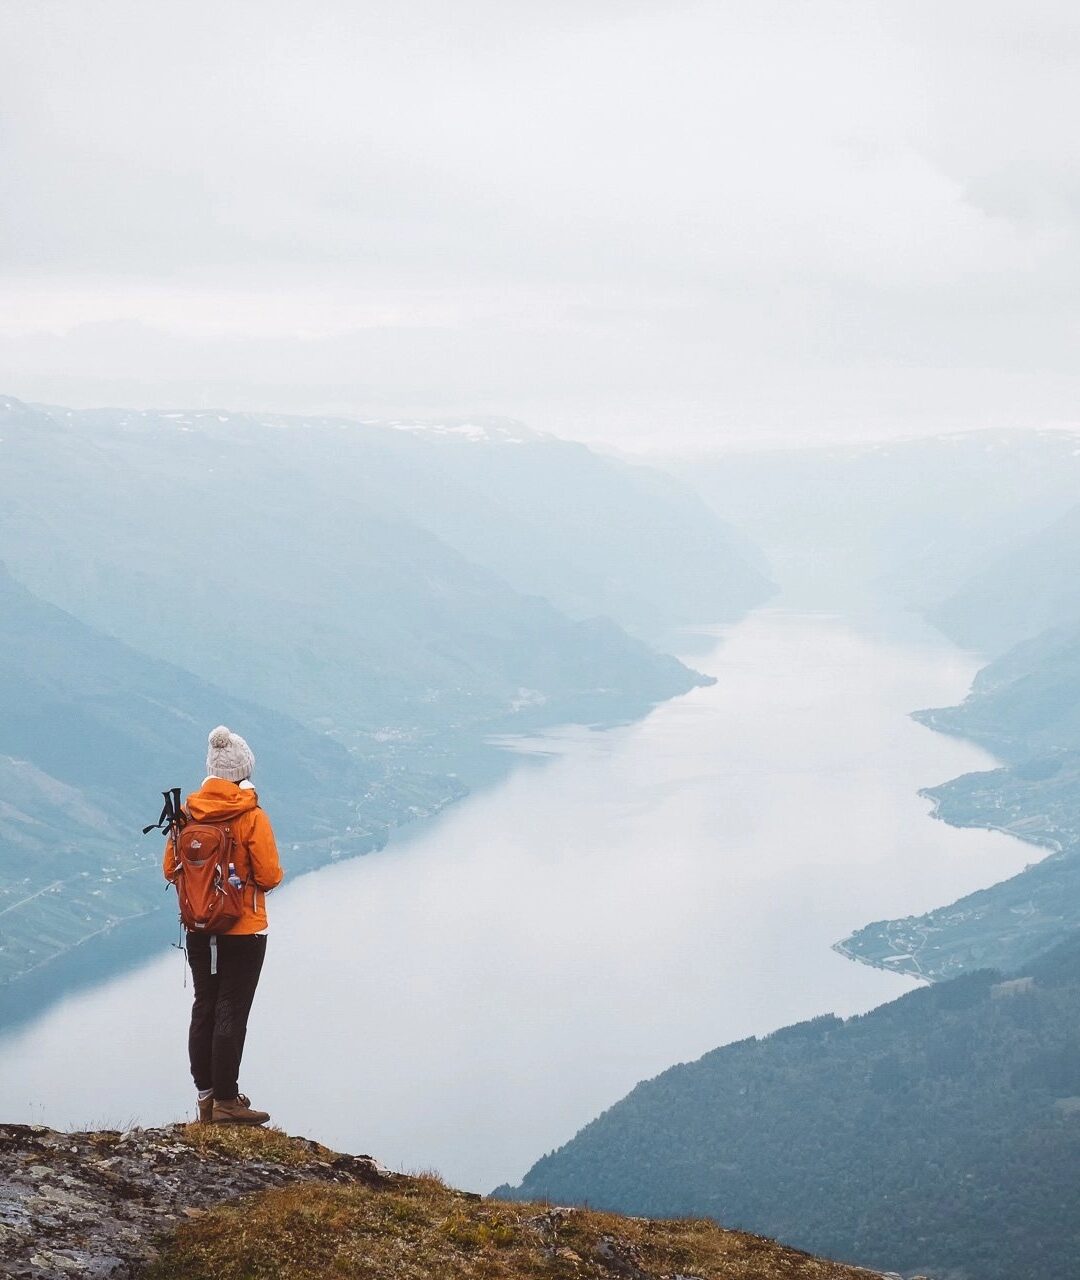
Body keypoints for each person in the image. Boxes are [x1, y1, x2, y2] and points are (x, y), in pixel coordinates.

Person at [163, 725, 284, 1125]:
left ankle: (207, 1098)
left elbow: (170, 869)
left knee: (205, 1007)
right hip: (243, 930)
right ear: (244, 770)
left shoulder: (186, 812)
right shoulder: (250, 816)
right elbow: (268, 876)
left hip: (198, 928)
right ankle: (228, 1102)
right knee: (232, 1008)